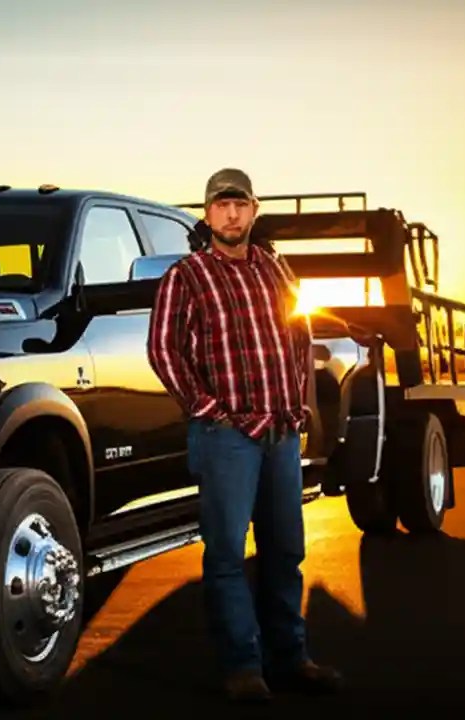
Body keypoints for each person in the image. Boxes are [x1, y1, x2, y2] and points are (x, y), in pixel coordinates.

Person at [146, 168, 343, 702]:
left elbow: (299, 334)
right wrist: (209, 409)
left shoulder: (275, 270)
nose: (231, 214)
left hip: (280, 432)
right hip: (226, 436)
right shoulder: (187, 276)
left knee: (285, 551)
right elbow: (164, 350)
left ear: (254, 210)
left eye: (240, 204)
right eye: (221, 205)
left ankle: (291, 659)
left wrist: (299, 404)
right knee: (228, 555)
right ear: (207, 214)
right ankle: (242, 669)